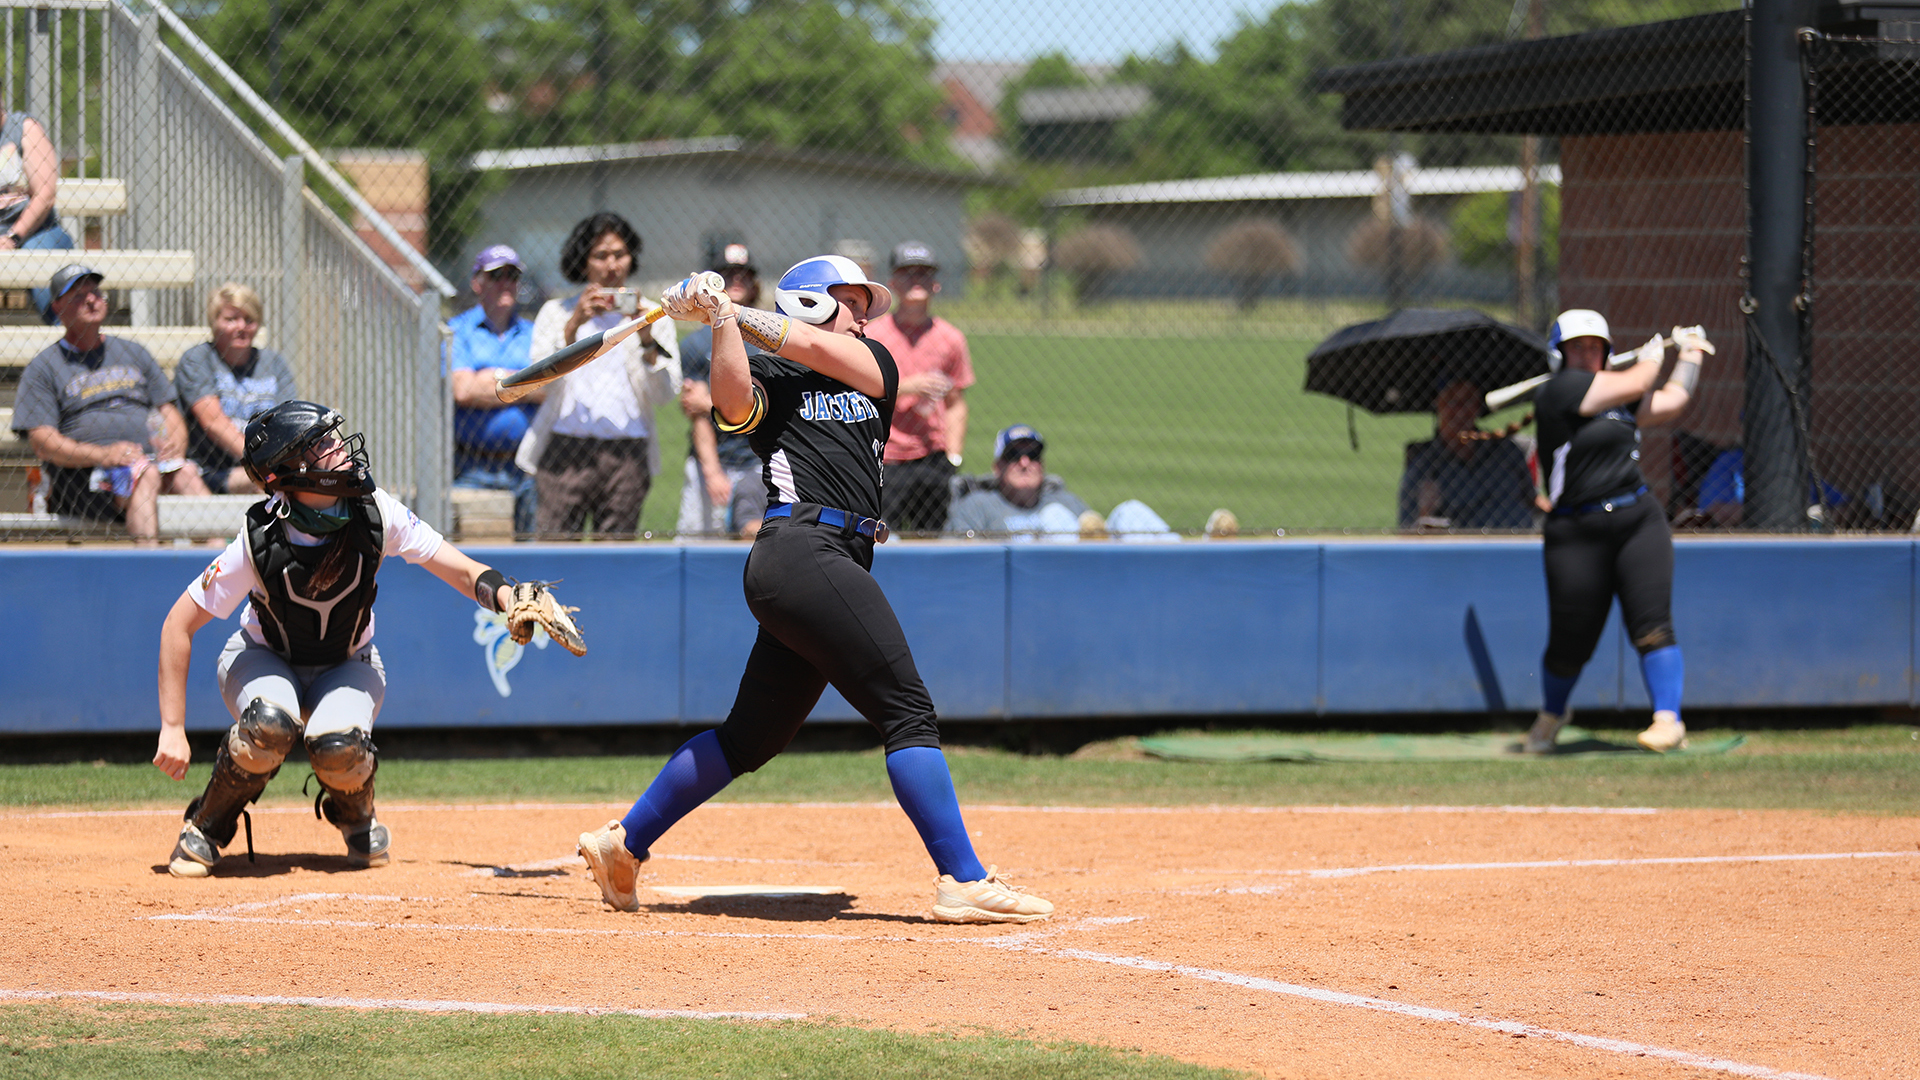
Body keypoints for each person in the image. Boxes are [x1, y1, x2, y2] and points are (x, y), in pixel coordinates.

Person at [575, 255, 1053, 924]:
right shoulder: (772, 372)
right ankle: (962, 879)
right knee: (908, 710)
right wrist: (719, 320)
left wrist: (730, 309)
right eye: (853, 301)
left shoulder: (875, 366)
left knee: (750, 739)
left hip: (822, 562)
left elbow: (809, 345)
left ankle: (623, 843)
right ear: (808, 300)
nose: (866, 314)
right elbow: (732, 401)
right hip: (800, 550)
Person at [152, 400, 584, 878]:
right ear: (287, 471)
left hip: (347, 662)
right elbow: (179, 624)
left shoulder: (374, 513)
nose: (338, 446)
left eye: (333, 435)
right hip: (263, 658)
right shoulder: (259, 540)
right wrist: (173, 726)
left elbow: (460, 569)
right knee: (271, 723)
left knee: (337, 745)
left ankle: (356, 817)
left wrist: (508, 594)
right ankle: (207, 827)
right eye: (319, 444)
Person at [1524, 310, 1710, 755]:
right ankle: (1552, 713)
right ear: (1561, 354)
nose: (1587, 354)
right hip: (1576, 530)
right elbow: (1640, 382)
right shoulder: (1559, 392)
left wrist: (1691, 354)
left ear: (1606, 351)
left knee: (1652, 625)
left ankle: (1668, 720)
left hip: (1636, 520)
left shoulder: (1619, 394)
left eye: (1595, 347)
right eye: (1578, 347)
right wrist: (1649, 357)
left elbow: (1671, 399)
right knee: (1571, 641)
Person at [11, 264, 210, 542]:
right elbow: (43, 443)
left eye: (94, 292)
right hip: (82, 477)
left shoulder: (134, 352)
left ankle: (224, 569)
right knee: (146, 475)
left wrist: (174, 445)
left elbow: (168, 410)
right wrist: (104, 455)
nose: (91, 299)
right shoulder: (43, 367)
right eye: (79, 295)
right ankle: (148, 569)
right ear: (57, 308)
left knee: (186, 473)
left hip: (145, 462)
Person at [517, 212, 679, 539]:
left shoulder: (654, 316)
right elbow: (538, 380)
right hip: (566, 448)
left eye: (620, 254)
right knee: (556, 548)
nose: (611, 265)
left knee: (614, 559)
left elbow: (665, 394)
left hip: (627, 452)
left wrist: (645, 337)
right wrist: (573, 326)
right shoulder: (558, 312)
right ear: (583, 261)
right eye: (600, 255)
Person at [864, 241, 974, 533]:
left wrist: (954, 455)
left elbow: (956, 403)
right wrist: (908, 386)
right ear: (892, 284)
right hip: (886, 456)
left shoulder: (950, 338)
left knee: (933, 539)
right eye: (907, 273)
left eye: (923, 273)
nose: (916, 280)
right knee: (880, 537)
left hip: (932, 458)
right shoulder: (873, 335)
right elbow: (858, 394)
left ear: (936, 284)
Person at [674, 242, 768, 539]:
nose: (737, 280)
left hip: (759, 461)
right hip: (711, 460)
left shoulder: (768, 340)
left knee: (757, 542)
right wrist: (712, 471)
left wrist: (711, 402)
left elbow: (770, 403)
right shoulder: (698, 344)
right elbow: (696, 414)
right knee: (698, 540)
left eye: (743, 274)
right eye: (727, 274)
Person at [946, 424, 1178, 542]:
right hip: (1029, 585)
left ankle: (1190, 561)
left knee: (1131, 510)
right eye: (1014, 455)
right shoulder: (977, 505)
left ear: (1042, 465)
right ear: (997, 467)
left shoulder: (1066, 501)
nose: (1025, 463)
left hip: (1087, 577)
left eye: (1033, 455)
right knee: (1052, 516)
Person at [174, 282, 300, 495]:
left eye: (249, 320)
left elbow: (287, 421)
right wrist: (260, 461)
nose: (241, 327)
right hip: (210, 469)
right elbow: (212, 421)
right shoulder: (197, 360)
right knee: (267, 480)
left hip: (263, 465)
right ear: (214, 323)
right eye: (231, 319)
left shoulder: (273, 363)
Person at [449, 245, 539, 535]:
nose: (506, 283)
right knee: (478, 559)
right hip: (471, 468)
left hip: (527, 467)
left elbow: (550, 387)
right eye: (496, 275)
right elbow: (462, 391)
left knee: (533, 563)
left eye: (512, 276)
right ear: (477, 283)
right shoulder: (457, 331)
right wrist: (523, 382)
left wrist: (491, 377)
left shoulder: (533, 333)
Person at [1397, 378, 1537, 531]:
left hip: (1516, 543)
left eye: (1468, 401)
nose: (1461, 410)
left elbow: (1533, 499)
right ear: (1438, 404)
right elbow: (1407, 530)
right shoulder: (1423, 467)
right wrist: (1425, 512)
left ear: (1478, 406)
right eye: (1452, 402)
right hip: (1458, 549)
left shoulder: (1507, 451)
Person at [0, 106, 75, 322]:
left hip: (35, 232)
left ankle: (66, 344)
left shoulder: (23, 128)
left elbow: (45, 194)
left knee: (40, 264)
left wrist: (13, 237)